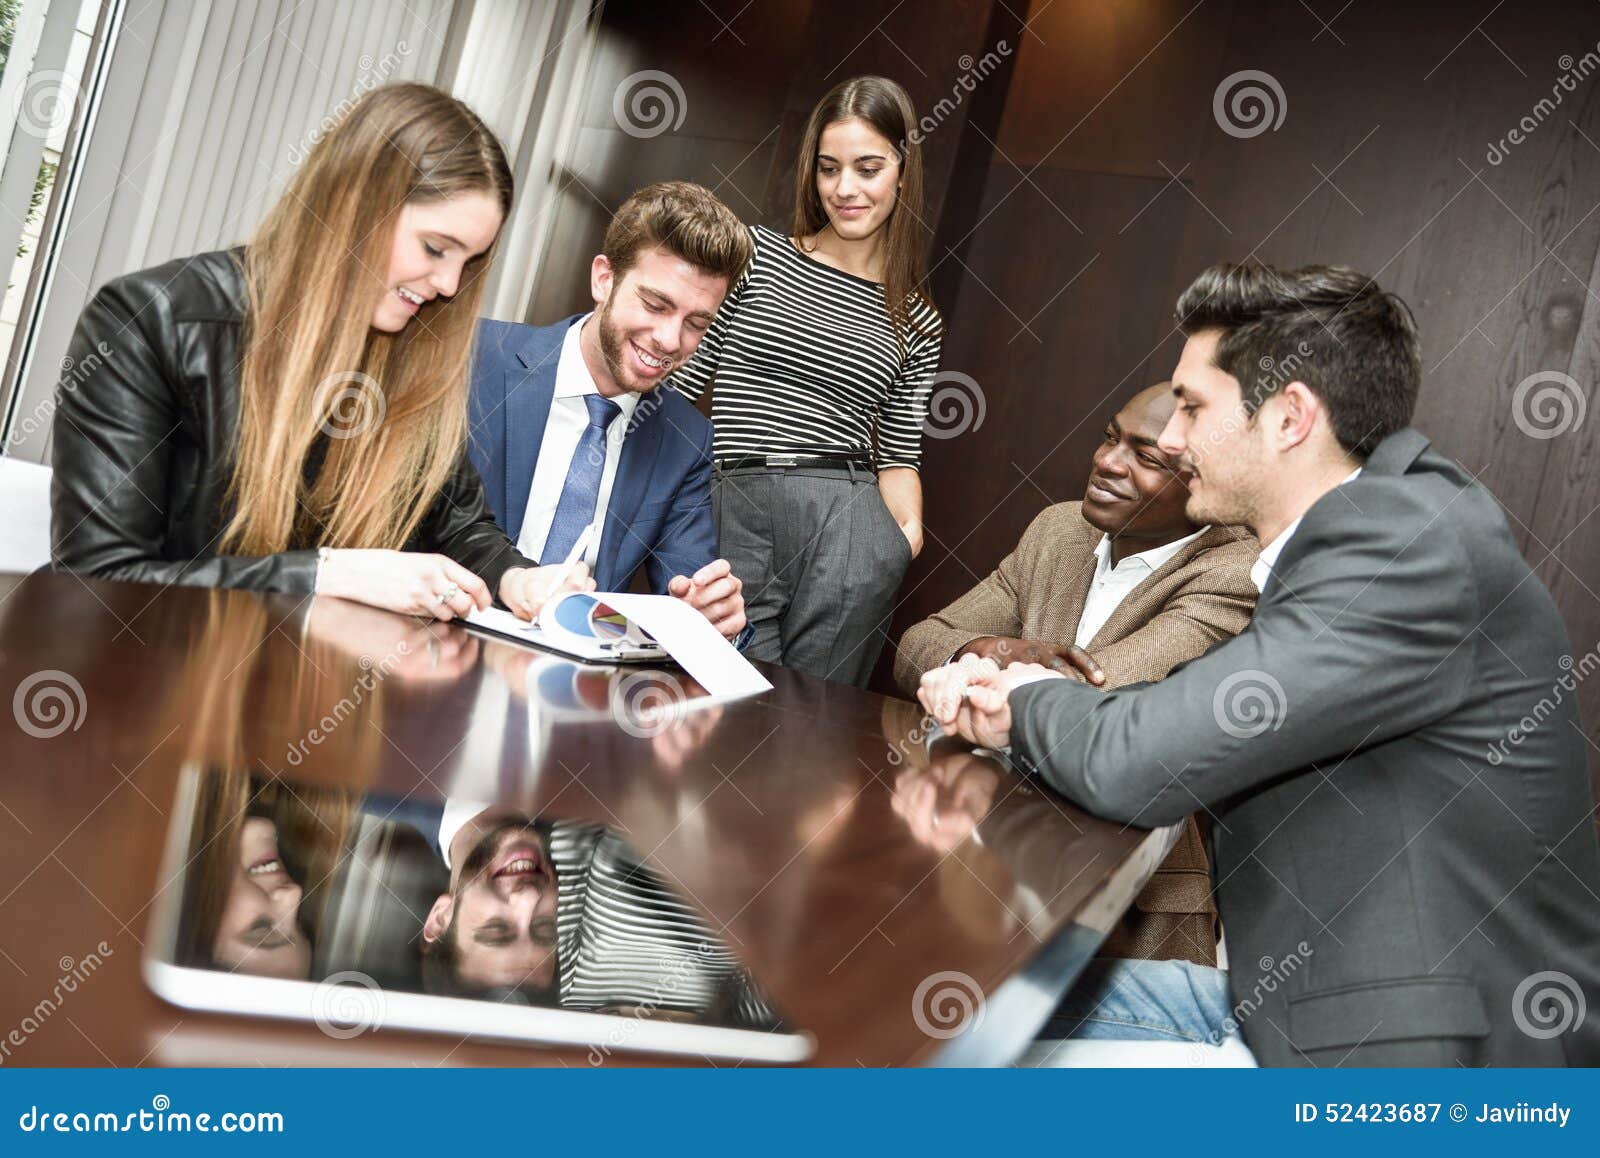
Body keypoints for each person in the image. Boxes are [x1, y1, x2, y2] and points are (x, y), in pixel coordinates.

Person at [921, 261, 1600, 1066]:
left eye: (1192, 407)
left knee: (951, 1070)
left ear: (1288, 417)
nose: (1171, 441)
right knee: (947, 1008)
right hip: (1291, 1002)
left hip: (1406, 1060)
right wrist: (1025, 704)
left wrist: (1024, 698)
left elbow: (1147, 760)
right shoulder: (1370, 531)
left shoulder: (1401, 546)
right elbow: (1196, 711)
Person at [51, 83, 582, 623]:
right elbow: (98, 581)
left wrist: (516, 577)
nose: (448, 284)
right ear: (354, 208)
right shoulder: (150, 321)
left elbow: (455, 521)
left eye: (468, 262)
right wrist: (328, 574)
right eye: (435, 248)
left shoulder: (410, 353)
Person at [897, 380, 1258, 965]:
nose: (1106, 463)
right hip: (986, 846)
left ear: (1206, 486)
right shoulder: (1059, 530)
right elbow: (920, 641)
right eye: (1109, 438)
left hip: (1127, 899)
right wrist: (994, 651)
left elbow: (1109, 699)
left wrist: (988, 678)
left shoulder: (1236, 569)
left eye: (1145, 458)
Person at [672, 76, 943, 687]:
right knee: (713, 692)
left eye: (867, 168)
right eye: (829, 169)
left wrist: (900, 542)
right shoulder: (753, 254)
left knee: (810, 720)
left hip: (850, 518)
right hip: (732, 500)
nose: (844, 188)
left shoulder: (917, 316)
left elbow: (899, 454)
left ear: (903, 169)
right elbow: (682, 386)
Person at [467, 182, 751, 638]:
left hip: (571, 686)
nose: (670, 340)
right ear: (604, 279)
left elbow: (689, 591)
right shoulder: (478, 356)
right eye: (656, 305)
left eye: (696, 323)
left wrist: (713, 619)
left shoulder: (685, 440)